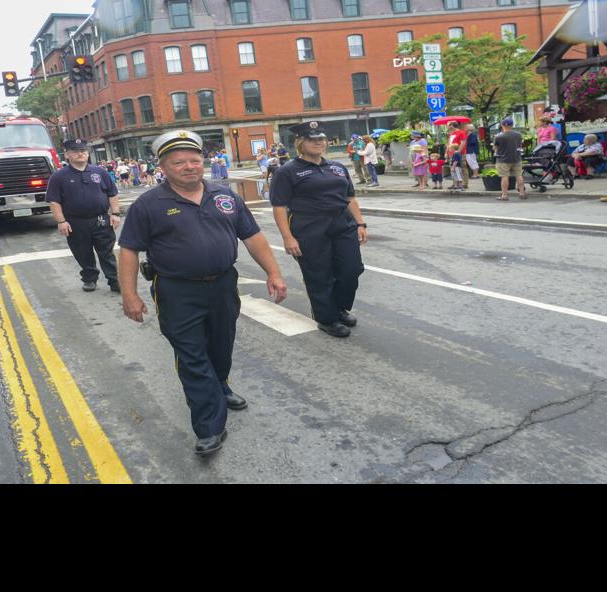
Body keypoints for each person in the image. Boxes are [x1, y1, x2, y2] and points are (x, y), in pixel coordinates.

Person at [118, 128, 289, 457]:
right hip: (176, 291)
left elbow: (252, 237)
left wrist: (274, 273)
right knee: (192, 356)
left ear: (203, 162)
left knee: (222, 344)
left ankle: (220, 385)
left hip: (223, 285)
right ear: (163, 168)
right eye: (178, 162)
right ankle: (209, 427)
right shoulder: (148, 205)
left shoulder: (225, 196)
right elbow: (129, 250)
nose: (188, 167)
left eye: (194, 160)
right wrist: (130, 294)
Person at [269, 120, 367, 340]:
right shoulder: (287, 171)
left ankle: (340, 307)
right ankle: (327, 319)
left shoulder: (337, 167)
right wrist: (287, 237)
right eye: (312, 139)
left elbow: (350, 198)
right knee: (319, 275)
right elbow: (279, 206)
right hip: (309, 227)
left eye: (321, 139)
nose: (318, 142)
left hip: (342, 224)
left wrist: (360, 223)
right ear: (300, 143)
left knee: (351, 270)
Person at [45, 137, 122, 294]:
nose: (80, 154)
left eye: (83, 151)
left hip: (100, 219)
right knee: (82, 252)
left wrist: (115, 213)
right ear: (67, 154)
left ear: (87, 153)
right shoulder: (59, 177)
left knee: (106, 252)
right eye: (75, 151)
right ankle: (89, 279)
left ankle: (114, 280)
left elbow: (112, 194)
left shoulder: (100, 172)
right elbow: (54, 201)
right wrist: (61, 221)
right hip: (75, 222)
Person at [493, 118, 526, 201]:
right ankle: (522, 193)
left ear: (502, 125)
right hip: (516, 158)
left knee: (504, 177)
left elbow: (495, 148)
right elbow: (520, 145)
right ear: (512, 125)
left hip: (503, 159)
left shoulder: (498, 136)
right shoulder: (518, 135)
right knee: (519, 175)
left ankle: (505, 195)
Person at [445, 124, 468, 189]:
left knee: (462, 168)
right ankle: (455, 184)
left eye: (448, 125)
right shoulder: (451, 134)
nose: (447, 127)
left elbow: (463, 142)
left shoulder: (461, 132)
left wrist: (458, 152)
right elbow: (449, 144)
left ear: (452, 126)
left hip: (459, 153)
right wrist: (446, 152)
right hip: (451, 153)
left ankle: (464, 183)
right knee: (453, 169)